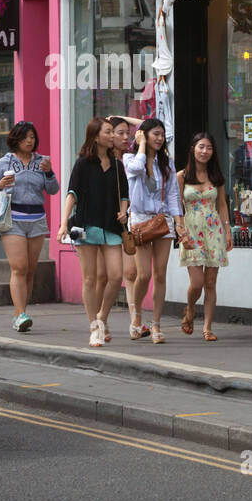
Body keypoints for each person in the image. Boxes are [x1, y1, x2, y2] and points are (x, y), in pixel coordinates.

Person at [59, 117, 129, 348]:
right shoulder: (82, 164)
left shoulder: (118, 165)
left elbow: (124, 196)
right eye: (109, 132)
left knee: (116, 276)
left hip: (111, 226)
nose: (113, 136)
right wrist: (62, 224)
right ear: (96, 136)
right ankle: (94, 326)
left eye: (113, 132)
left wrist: (123, 211)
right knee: (90, 278)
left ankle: (102, 317)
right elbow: (72, 194)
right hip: (86, 226)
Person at [0, 121, 59, 333]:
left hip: (37, 219)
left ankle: (20, 312)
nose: (30, 140)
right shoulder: (5, 162)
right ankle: (20, 314)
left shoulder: (42, 161)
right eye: (26, 137)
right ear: (16, 139)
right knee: (19, 267)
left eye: (32, 137)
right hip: (13, 220)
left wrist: (49, 173)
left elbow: (53, 190)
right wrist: (0, 185)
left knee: (30, 270)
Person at [124, 118, 187, 344]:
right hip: (140, 220)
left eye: (162, 135)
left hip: (162, 221)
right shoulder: (130, 158)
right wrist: (141, 145)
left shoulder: (166, 164)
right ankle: (136, 317)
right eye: (155, 134)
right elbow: (135, 170)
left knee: (160, 274)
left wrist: (179, 223)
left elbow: (172, 196)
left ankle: (157, 324)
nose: (160, 139)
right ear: (144, 135)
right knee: (144, 274)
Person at [177, 132, 232, 342]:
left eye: (208, 148)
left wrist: (227, 231)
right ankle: (190, 308)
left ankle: (207, 327)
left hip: (213, 231)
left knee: (210, 282)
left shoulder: (216, 176)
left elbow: (222, 205)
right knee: (197, 282)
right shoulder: (181, 176)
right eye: (201, 147)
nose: (204, 151)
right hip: (191, 232)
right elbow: (176, 208)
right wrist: (180, 231)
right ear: (193, 148)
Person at [105, 116, 141, 337]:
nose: (126, 137)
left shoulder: (131, 157)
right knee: (107, 276)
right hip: (104, 221)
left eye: (128, 133)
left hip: (128, 220)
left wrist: (121, 118)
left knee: (131, 272)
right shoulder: (100, 159)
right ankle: (101, 320)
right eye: (120, 133)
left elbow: (146, 126)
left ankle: (135, 323)